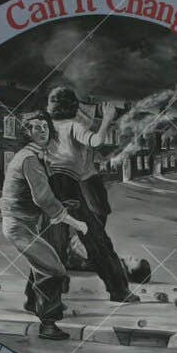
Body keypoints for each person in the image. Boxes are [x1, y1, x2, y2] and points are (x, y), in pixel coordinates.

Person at [43, 85, 138, 303]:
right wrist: (107, 119)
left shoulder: (46, 127)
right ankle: (119, 290)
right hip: (70, 184)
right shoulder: (74, 125)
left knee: (50, 242)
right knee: (95, 238)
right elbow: (96, 141)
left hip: (52, 185)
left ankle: (43, 298)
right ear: (73, 107)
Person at [1, 114, 89, 340]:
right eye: (35, 128)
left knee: (40, 261)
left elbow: (39, 196)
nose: (42, 131)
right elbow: (43, 199)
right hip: (18, 226)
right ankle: (48, 325)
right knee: (53, 269)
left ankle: (32, 304)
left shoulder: (36, 156)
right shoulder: (29, 158)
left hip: (26, 223)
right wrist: (74, 222)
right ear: (26, 133)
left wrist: (63, 206)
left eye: (44, 127)